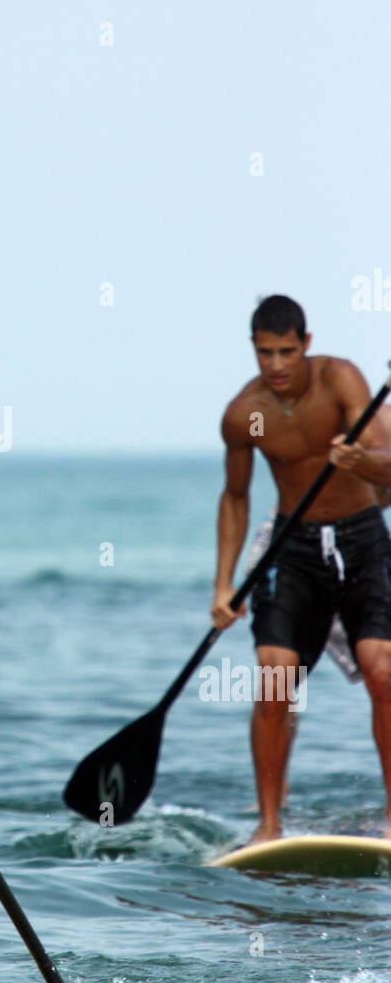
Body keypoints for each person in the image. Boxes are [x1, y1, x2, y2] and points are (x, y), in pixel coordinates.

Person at [211, 295, 391, 844]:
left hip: (361, 537)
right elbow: (236, 498)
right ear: (254, 350)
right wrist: (223, 584)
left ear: (305, 344)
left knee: (381, 669)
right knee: (273, 681)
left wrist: (360, 461)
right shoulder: (245, 414)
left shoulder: (341, 380)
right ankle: (269, 825)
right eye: (266, 353)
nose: (277, 365)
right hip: (292, 545)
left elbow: (388, 461)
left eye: (287, 351)